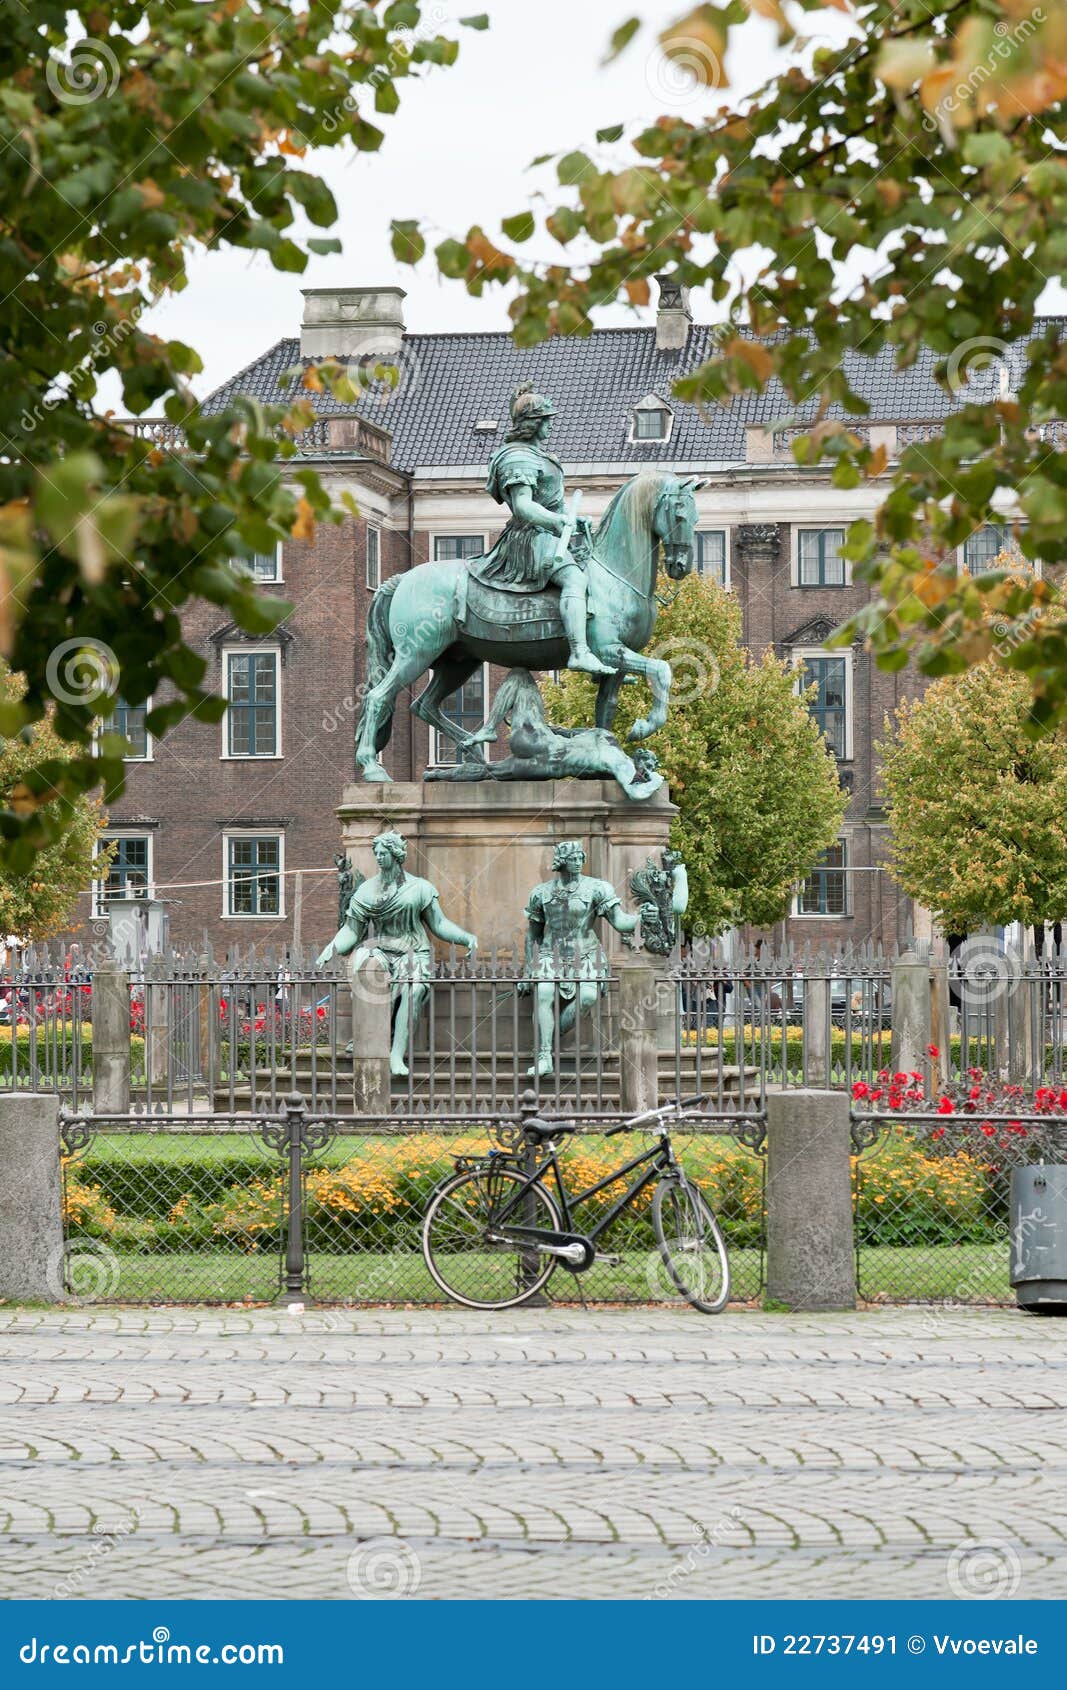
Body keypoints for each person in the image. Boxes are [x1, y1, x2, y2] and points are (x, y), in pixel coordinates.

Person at [477, 382, 615, 676]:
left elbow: (553, 505)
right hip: (529, 538)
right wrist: (555, 522)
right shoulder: (517, 458)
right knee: (575, 580)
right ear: (533, 423)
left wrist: (574, 519)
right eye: (546, 420)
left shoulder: (539, 456)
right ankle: (579, 652)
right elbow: (524, 506)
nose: (550, 425)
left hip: (548, 534)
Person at [316, 832, 478, 1077]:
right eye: (377, 854)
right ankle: (367, 1036)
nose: (379, 858)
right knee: (365, 970)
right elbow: (352, 929)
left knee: (413, 989)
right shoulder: (366, 891)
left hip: (414, 951)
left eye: (384, 853)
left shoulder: (419, 887)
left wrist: (467, 938)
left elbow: (439, 924)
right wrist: (333, 946)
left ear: (396, 855)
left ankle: (395, 1055)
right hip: (380, 949)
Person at [520, 840, 638, 1077]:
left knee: (587, 997)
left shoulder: (597, 888)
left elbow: (620, 922)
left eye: (580, 858)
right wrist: (528, 969)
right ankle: (544, 1057)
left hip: (586, 953)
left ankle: (548, 1035)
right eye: (572, 858)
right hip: (549, 954)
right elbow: (533, 934)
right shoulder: (540, 892)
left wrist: (642, 918)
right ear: (561, 861)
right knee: (543, 993)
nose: (577, 862)